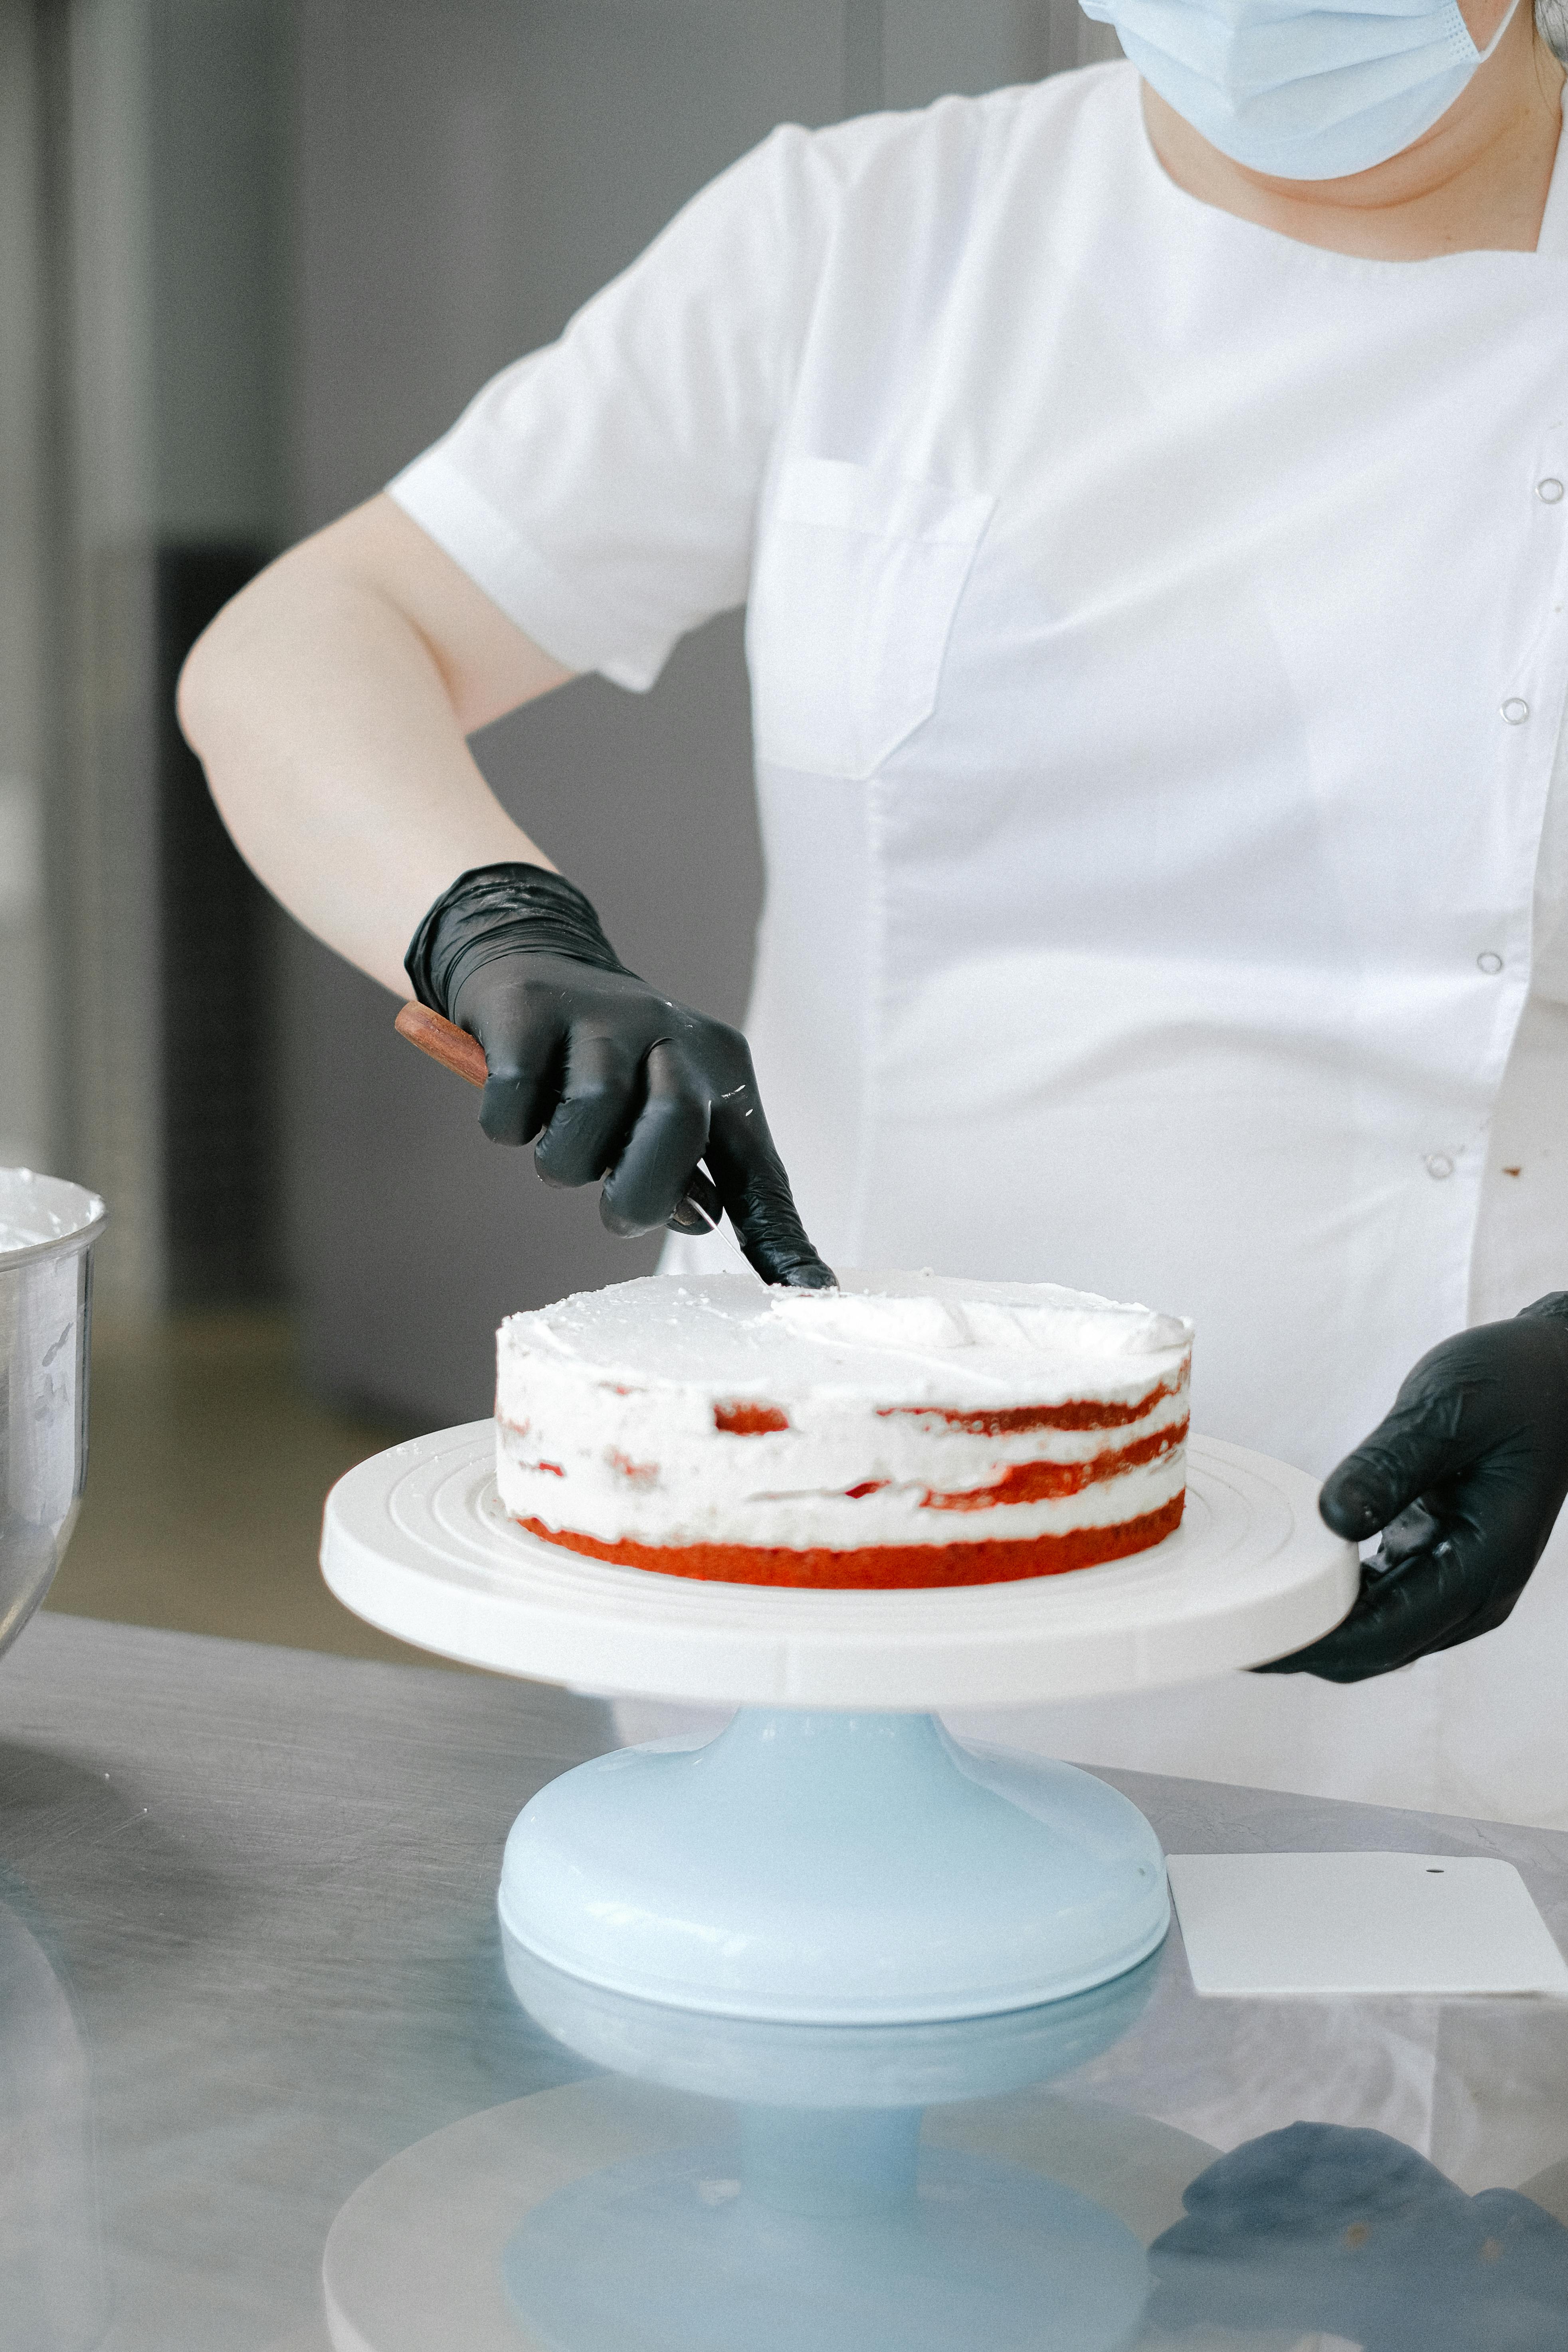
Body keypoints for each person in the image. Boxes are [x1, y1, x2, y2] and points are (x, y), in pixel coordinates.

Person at [180, 0, 1568, 1825]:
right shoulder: (868, 230)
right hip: (826, 1544)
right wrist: (496, 924)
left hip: (1483, 1553)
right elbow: (315, 634)